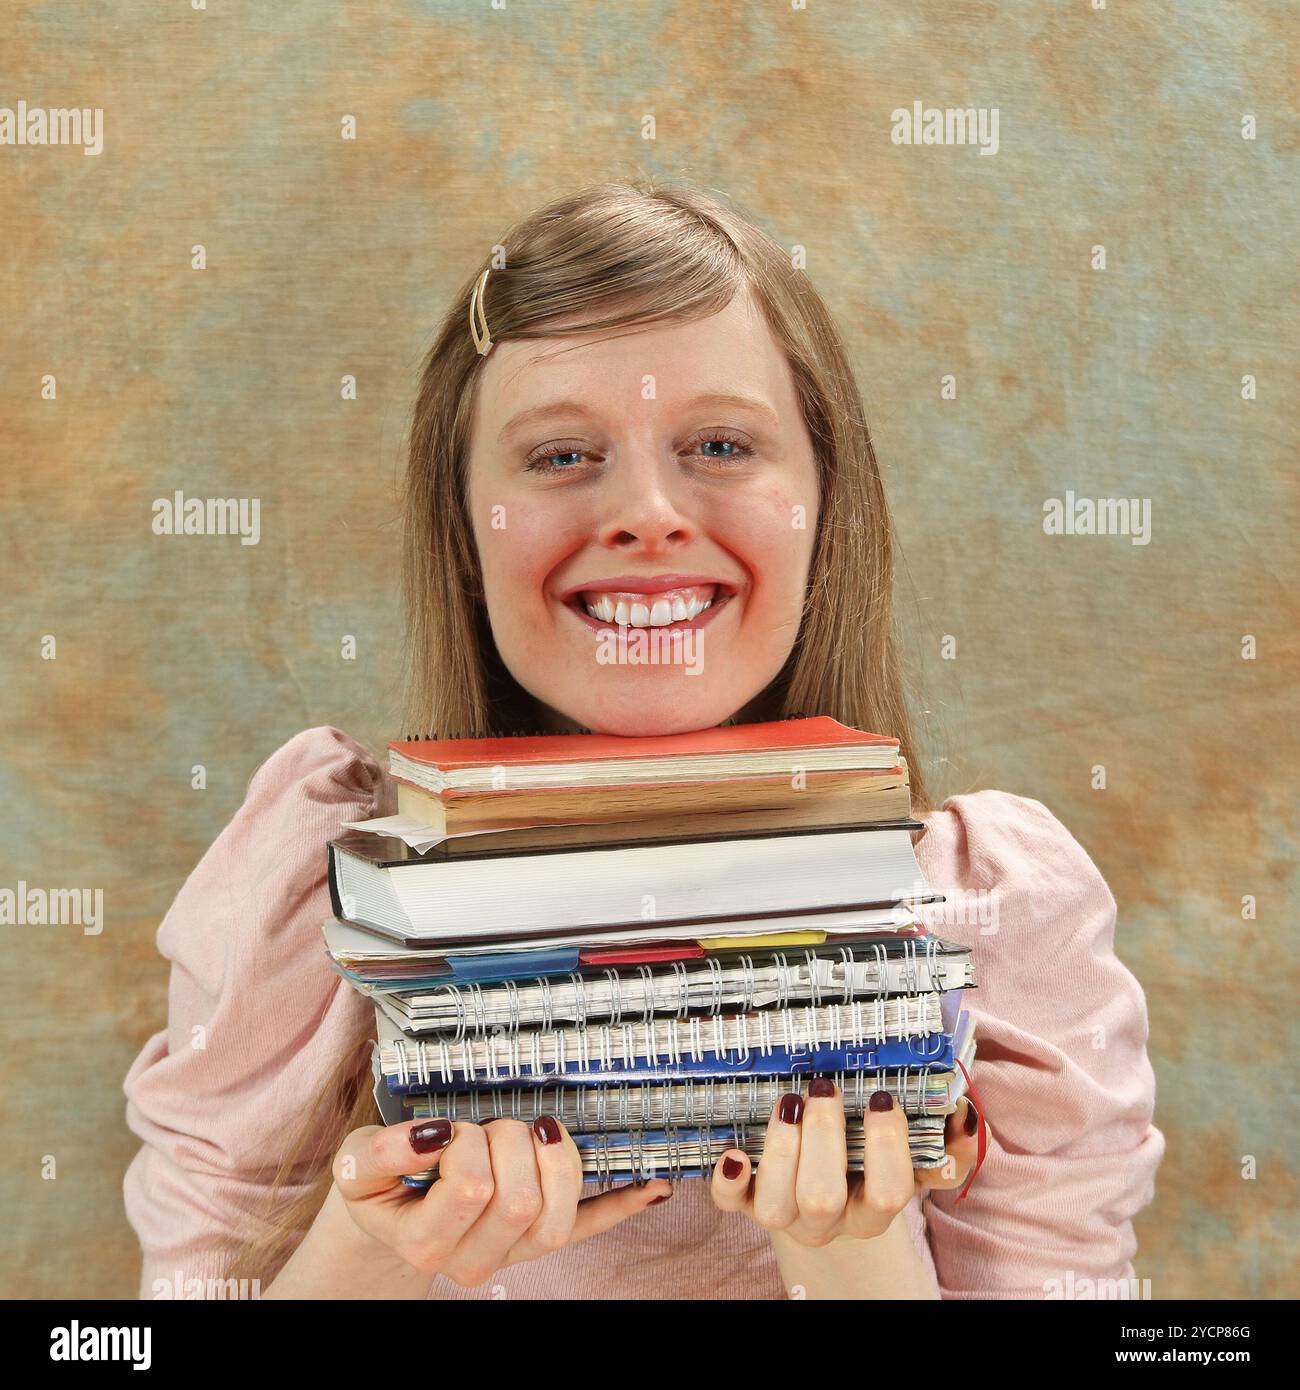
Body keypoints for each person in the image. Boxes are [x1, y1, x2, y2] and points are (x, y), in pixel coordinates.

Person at [123, 181, 1164, 1300]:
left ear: (827, 499)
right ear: (466, 525)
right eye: (562, 455)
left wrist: (850, 1254)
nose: (649, 514)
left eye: (719, 442)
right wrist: (367, 1255)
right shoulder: (306, 895)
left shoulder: (1006, 928)